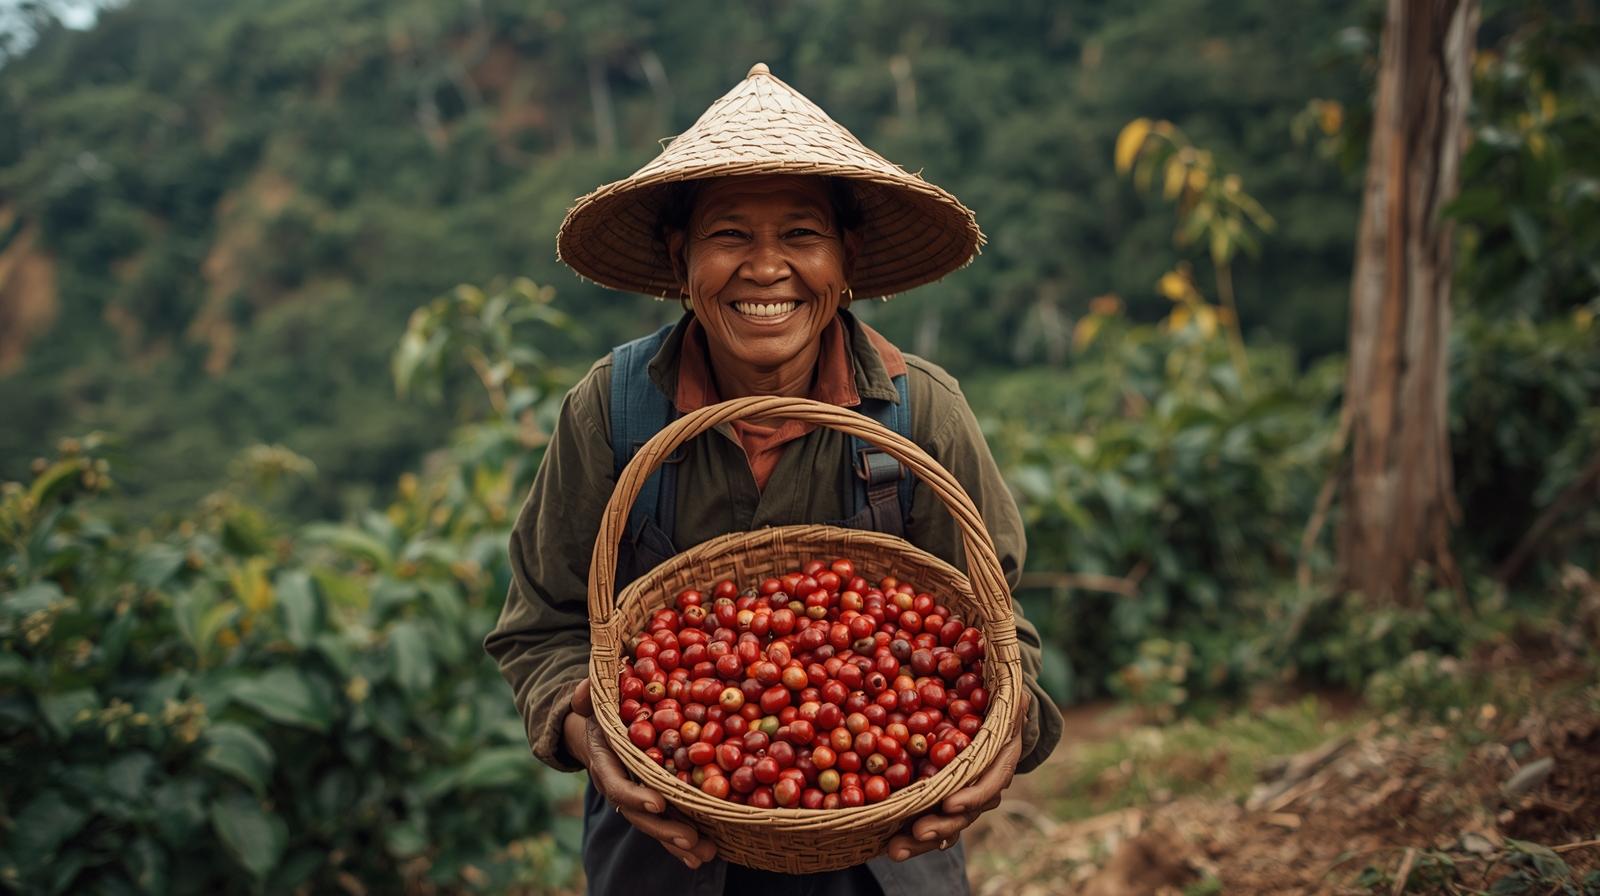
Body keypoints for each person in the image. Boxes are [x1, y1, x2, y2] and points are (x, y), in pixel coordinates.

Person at [485, 63, 1063, 896]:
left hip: (884, 854)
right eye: (729, 237)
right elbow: (539, 626)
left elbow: (998, 637)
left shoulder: (917, 415)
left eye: (800, 235)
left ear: (847, 258)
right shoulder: (611, 415)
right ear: (681, 260)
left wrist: (1006, 736)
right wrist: (590, 732)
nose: (766, 269)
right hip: (667, 845)